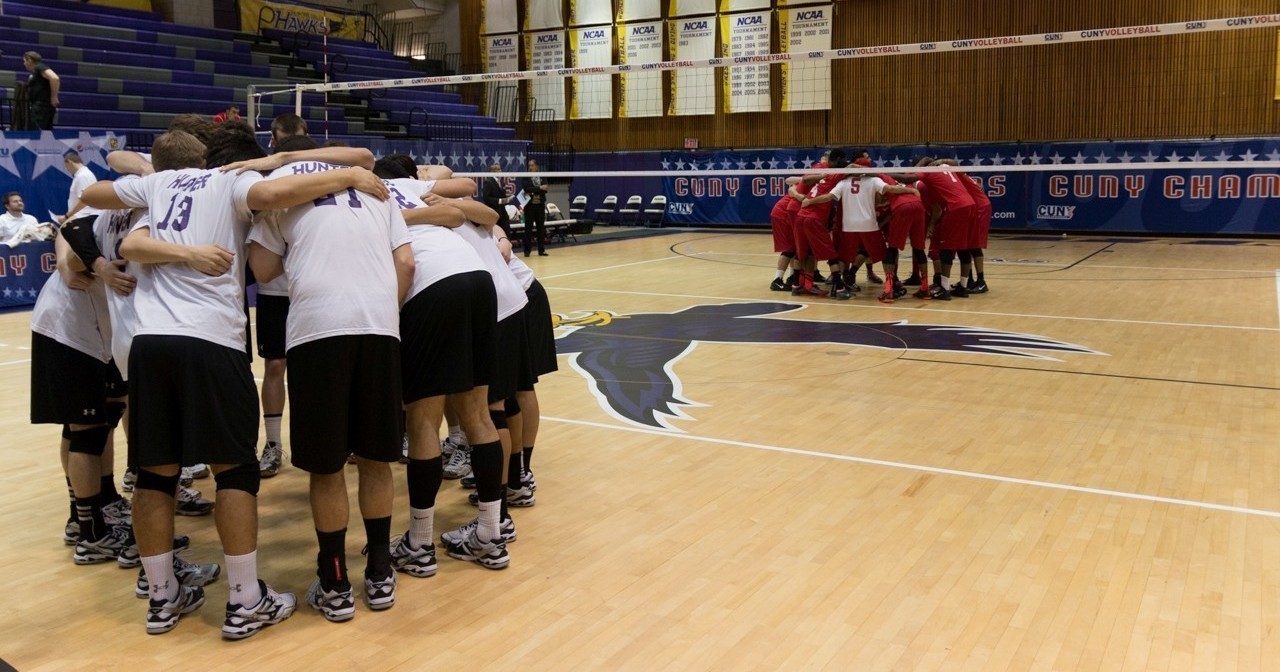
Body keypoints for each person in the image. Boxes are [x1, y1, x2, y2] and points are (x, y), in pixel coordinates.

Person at [80, 124, 374, 637]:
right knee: (234, 470)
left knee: (154, 475)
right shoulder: (228, 180)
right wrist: (346, 176)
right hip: (210, 338)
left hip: (149, 341)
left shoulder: (156, 186)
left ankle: (162, 598)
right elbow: (279, 193)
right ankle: (244, 601)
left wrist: (150, 180)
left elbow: (94, 196)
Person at [247, 141, 414, 623]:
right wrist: (382, 310)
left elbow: (262, 269)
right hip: (378, 327)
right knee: (376, 458)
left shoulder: (281, 192)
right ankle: (379, 572)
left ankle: (336, 581)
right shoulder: (376, 189)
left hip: (317, 329)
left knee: (327, 466)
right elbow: (406, 263)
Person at [58, 151, 102, 225]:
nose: (67, 169)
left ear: (70, 162)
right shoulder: (83, 174)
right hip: (82, 216)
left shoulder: (83, 176)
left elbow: (84, 201)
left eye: (66, 166)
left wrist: (67, 216)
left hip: (83, 218)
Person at [518, 159, 548, 257]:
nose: (530, 167)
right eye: (529, 165)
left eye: (532, 165)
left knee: (541, 228)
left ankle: (541, 250)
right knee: (528, 228)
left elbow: (545, 189)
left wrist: (534, 190)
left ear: (537, 167)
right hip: (529, 206)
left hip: (540, 205)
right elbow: (526, 189)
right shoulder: (526, 177)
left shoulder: (542, 176)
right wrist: (539, 188)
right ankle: (527, 251)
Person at [22, 51, 59, 130]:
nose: (24, 63)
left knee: (36, 132)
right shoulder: (35, 72)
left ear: (29, 60)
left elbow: (54, 78)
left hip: (42, 107)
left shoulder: (40, 67)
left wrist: (54, 97)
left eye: (24, 61)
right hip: (41, 106)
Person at [482, 164, 512, 238]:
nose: (500, 171)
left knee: (507, 233)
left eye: (500, 169)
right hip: (494, 212)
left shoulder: (501, 183)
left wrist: (507, 199)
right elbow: (486, 198)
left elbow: (502, 196)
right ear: (492, 171)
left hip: (503, 212)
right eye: (498, 169)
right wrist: (500, 200)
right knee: (496, 235)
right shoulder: (488, 182)